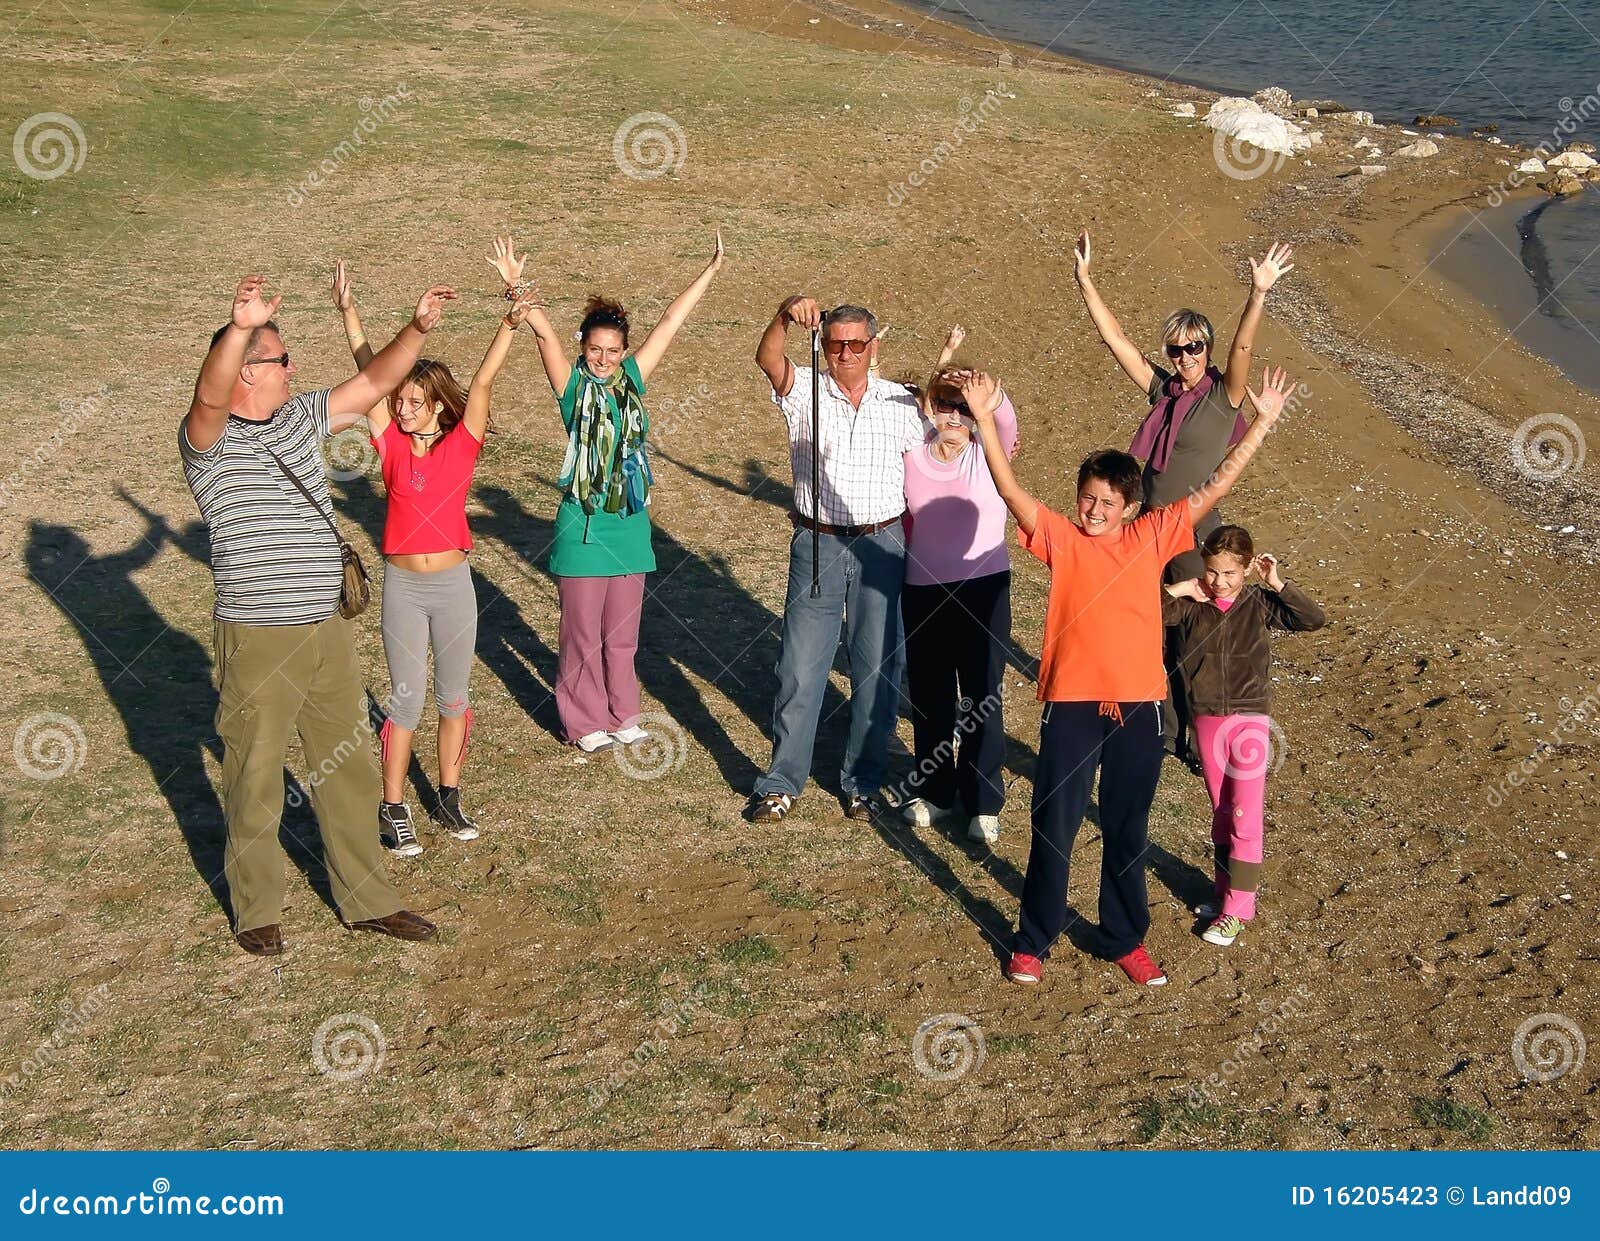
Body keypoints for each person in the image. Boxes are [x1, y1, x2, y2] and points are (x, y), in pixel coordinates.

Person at [970, 363, 1297, 987]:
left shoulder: (1152, 535)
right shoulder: (1062, 539)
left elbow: (1217, 479)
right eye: (1087, 498)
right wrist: (985, 420)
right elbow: (1011, 492)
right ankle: (1032, 940)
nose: (1094, 510)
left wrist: (1261, 425)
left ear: (1130, 506)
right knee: (1055, 826)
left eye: (1106, 502)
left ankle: (1124, 937)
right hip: (1071, 703)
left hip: (1139, 709)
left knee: (1126, 827)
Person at [181, 273, 454, 955]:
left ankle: (367, 899)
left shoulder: (302, 416)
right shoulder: (208, 442)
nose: (292, 367)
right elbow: (210, 394)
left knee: (349, 768)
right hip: (257, 636)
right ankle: (256, 910)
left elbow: (373, 385)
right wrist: (241, 323)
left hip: (327, 629)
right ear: (248, 369)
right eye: (279, 358)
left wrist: (417, 327)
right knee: (253, 772)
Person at [332, 245, 538, 856]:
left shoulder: (462, 443)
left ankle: (448, 795)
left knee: (454, 696)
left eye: (415, 402)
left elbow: (482, 380)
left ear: (439, 408)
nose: (402, 407)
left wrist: (509, 322)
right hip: (402, 587)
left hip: (454, 586)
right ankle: (393, 808)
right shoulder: (389, 442)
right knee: (405, 699)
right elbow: (372, 372)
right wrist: (350, 312)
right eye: (402, 402)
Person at [496, 232, 724, 752]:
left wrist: (710, 271)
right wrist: (517, 289)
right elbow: (542, 336)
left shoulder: (633, 381)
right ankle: (583, 722)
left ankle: (623, 714)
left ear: (624, 352)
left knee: (621, 636)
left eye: (612, 351)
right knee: (581, 635)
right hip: (582, 523)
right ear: (583, 347)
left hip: (630, 522)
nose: (602, 359)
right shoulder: (571, 386)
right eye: (594, 350)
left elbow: (671, 322)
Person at [1072, 230, 1294, 761]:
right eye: (1175, 349)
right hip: (1147, 523)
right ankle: (1158, 720)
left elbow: (1244, 347)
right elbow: (1116, 341)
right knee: (1149, 620)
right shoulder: (1162, 392)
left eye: (1193, 347)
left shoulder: (1224, 395)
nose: (1184, 357)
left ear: (1207, 349)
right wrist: (1085, 280)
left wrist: (1258, 292)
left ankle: (1197, 732)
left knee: (1195, 631)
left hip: (1193, 527)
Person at [744, 297, 927, 824]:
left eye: (855, 344)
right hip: (817, 544)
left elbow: (950, 452)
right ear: (822, 346)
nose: (844, 354)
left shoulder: (903, 403)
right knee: (801, 668)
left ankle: (863, 782)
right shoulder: (804, 391)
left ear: (874, 346)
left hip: (883, 546)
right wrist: (782, 313)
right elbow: (767, 358)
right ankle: (781, 783)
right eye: (834, 344)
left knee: (877, 669)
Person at [1162, 526, 1325, 947]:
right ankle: (1222, 893)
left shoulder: (1259, 604)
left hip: (1250, 721)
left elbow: (1312, 619)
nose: (1219, 582)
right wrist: (1178, 587)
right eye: (1213, 571)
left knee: (1244, 815)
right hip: (1205, 718)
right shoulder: (1190, 605)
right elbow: (1139, 611)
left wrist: (1278, 583)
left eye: (1230, 574)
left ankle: (1238, 909)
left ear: (1248, 569)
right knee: (1221, 810)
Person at [897, 337, 1018, 846]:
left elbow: (1002, 415)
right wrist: (939, 377)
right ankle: (935, 791)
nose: (952, 415)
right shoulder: (911, 450)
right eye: (943, 405)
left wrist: (981, 395)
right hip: (922, 589)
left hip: (983, 587)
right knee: (930, 695)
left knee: (980, 696)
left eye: (962, 407)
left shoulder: (990, 451)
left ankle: (984, 798)